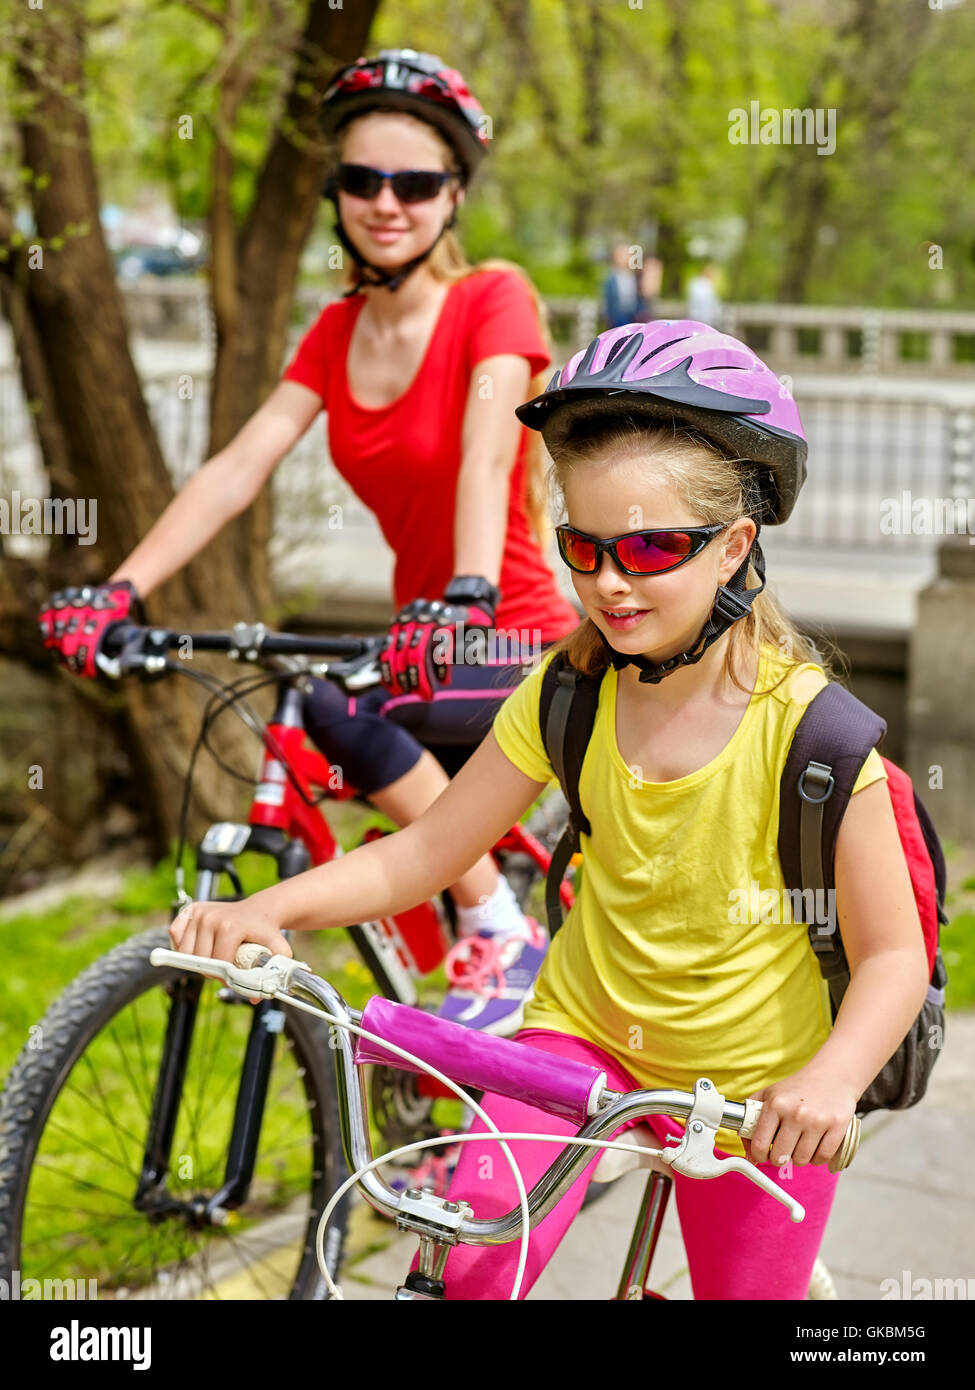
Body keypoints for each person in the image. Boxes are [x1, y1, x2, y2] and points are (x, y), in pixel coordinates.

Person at [168, 320, 929, 1299]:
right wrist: (272, 909)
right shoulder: (570, 691)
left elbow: (894, 956)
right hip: (577, 1046)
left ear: (736, 547)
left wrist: (827, 1083)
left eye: (653, 547)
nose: (610, 582)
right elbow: (429, 849)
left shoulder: (817, 739)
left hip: (756, 1091)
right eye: (584, 545)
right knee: (469, 1265)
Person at [38, 49, 578, 1036]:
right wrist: (118, 589)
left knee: (333, 703)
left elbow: (484, 453)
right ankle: (424, 1014)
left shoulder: (492, 300)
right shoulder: (334, 334)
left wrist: (463, 594)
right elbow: (236, 469)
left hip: (510, 639)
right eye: (362, 179)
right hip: (426, 645)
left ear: (453, 194)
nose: (386, 202)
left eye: (415, 183)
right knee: (314, 705)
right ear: (337, 192)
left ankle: (497, 926)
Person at [602, 241, 646, 328]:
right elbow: (608, 299)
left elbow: (639, 296)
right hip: (618, 316)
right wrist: (610, 317)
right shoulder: (611, 278)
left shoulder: (635, 276)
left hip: (633, 315)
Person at [686, 261, 723, 328]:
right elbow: (707, 303)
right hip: (702, 319)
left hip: (699, 318)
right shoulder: (704, 285)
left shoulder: (698, 283)